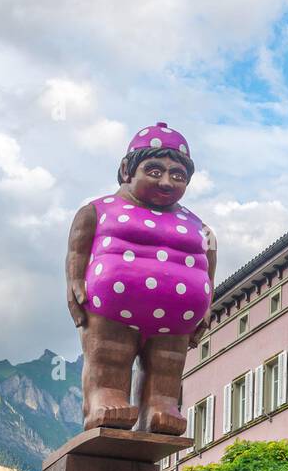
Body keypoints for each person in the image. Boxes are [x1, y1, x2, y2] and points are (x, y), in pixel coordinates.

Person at [65, 122, 216, 435]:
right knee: (109, 356)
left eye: (178, 175)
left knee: (168, 363)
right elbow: (77, 253)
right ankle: (104, 396)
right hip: (112, 310)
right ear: (126, 170)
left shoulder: (197, 225)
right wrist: (75, 286)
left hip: (176, 319)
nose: (166, 181)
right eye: (154, 170)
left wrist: (206, 305)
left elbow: (208, 267)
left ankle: (160, 405)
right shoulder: (99, 210)